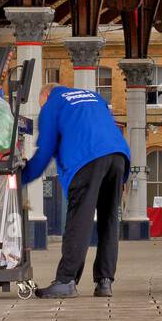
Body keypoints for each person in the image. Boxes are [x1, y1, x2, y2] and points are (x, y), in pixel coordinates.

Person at [23, 83, 131, 299]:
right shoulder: (93, 96)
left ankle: (66, 280)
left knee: (78, 219)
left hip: (87, 160)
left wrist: (21, 177)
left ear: (45, 95)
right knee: (109, 220)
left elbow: (44, 152)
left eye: (40, 104)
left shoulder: (53, 104)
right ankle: (104, 281)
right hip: (118, 156)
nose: (42, 108)